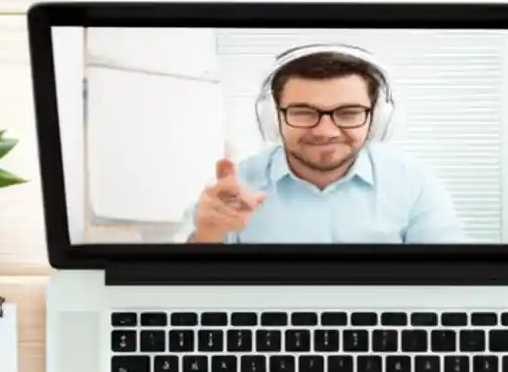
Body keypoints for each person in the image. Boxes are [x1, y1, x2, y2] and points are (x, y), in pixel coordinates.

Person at [183, 49, 466, 243]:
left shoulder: (412, 183)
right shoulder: (235, 187)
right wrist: (207, 236)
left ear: (377, 119)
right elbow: (185, 289)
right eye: (303, 112)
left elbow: (452, 279)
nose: (325, 131)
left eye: (349, 112)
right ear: (273, 118)